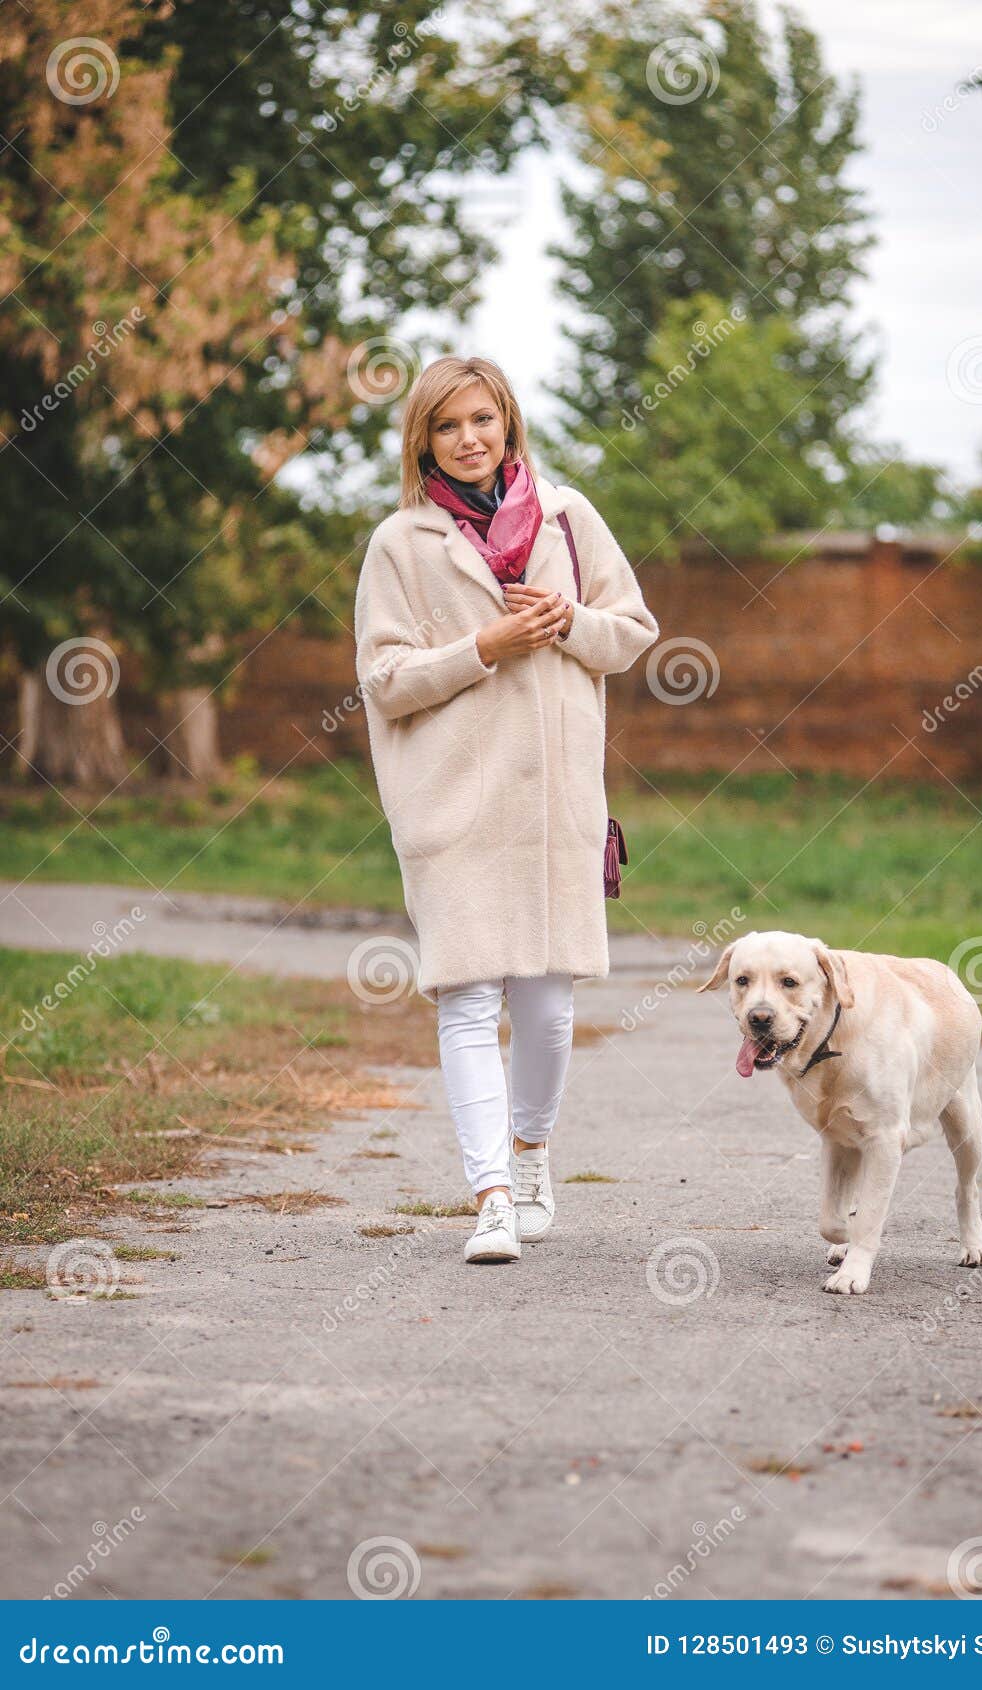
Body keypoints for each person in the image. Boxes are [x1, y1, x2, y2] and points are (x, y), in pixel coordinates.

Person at [353, 355, 659, 1263]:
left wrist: (568, 621)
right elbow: (383, 679)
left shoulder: (569, 518)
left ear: (509, 424)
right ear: (425, 441)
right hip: (452, 808)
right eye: (448, 426)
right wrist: (481, 646)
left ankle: (531, 1154)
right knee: (467, 999)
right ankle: (490, 1197)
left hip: (556, 804)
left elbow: (633, 632)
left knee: (550, 1011)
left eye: (483, 420)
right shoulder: (399, 544)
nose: (470, 439)